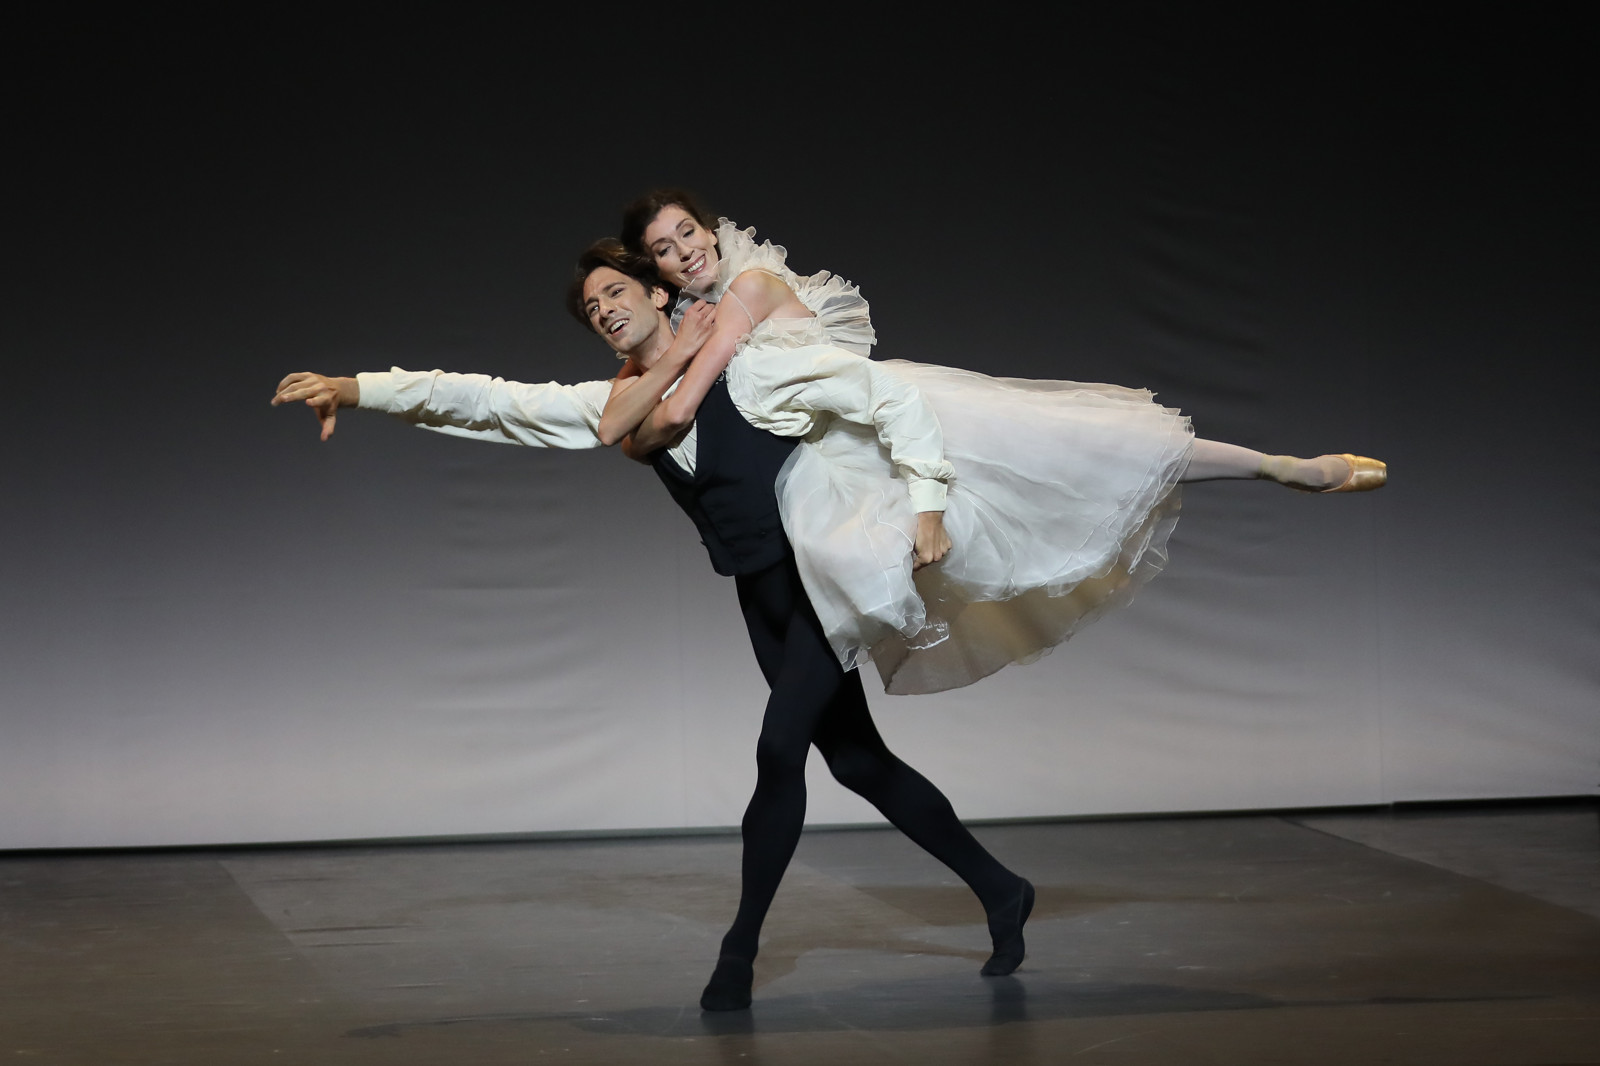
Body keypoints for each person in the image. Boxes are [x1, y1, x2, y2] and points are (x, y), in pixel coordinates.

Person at [271, 243, 1037, 1013]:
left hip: (820, 585)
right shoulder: (621, 406)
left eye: (614, 291)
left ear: (657, 295)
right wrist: (357, 387)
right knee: (858, 763)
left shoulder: (745, 365)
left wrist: (928, 499)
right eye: (591, 307)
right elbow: (493, 401)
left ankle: (739, 952)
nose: (603, 307)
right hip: (762, 599)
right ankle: (1004, 891)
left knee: (779, 752)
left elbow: (886, 395)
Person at [599, 189, 1386, 695]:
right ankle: (1280, 469)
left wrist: (660, 365)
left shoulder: (745, 291)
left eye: (688, 232)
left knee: (1089, 450)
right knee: (1042, 487)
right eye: (665, 249)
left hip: (892, 422)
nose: (683, 250)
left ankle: (1284, 468)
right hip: (841, 463)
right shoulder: (693, 317)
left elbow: (681, 403)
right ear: (658, 266)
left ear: (711, 228)